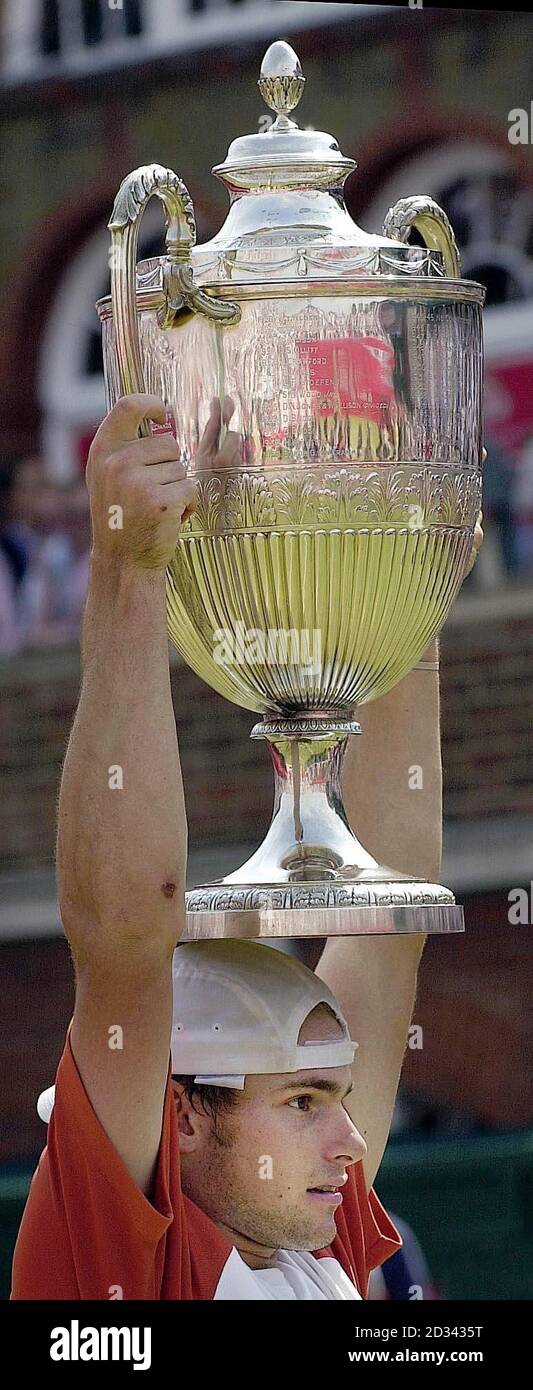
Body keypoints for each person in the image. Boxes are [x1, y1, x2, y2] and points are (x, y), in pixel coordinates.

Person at [10, 394, 483, 1301]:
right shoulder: (116, 1264)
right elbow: (123, 930)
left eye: (332, 1097)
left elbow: (395, 907)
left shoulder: (309, 1245)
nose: (351, 1143)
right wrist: (129, 572)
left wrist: (406, 595)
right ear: (182, 1117)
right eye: (304, 1102)